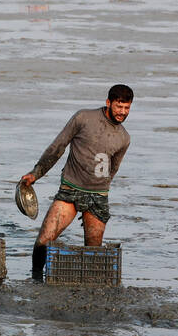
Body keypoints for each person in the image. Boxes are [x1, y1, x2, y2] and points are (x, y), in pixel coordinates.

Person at [20, 84, 133, 283]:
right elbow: (58, 147)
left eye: (126, 108)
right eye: (119, 106)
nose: (122, 112)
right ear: (108, 103)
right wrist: (36, 174)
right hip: (70, 190)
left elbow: (113, 169)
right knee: (44, 240)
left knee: (94, 252)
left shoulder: (124, 138)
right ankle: (35, 281)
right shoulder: (83, 118)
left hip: (98, 197)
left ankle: (90, 287)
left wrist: (101, 192)